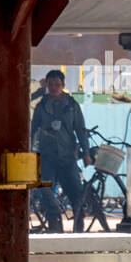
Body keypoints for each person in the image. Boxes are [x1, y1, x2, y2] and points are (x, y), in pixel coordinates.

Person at [30, 70, 91, 233]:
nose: (54, 87)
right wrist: (29, 152)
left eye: (57, 84)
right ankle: (55, 229)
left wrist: (86, 153)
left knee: (76, 194)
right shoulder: (41, 106)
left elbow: (80, 130)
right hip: (47, 157)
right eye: (50, 84)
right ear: (47, 86)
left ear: (63, 86)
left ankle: (79, 229)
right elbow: (33, 129)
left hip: (67, 157)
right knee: (47, 194)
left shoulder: (72, 105)